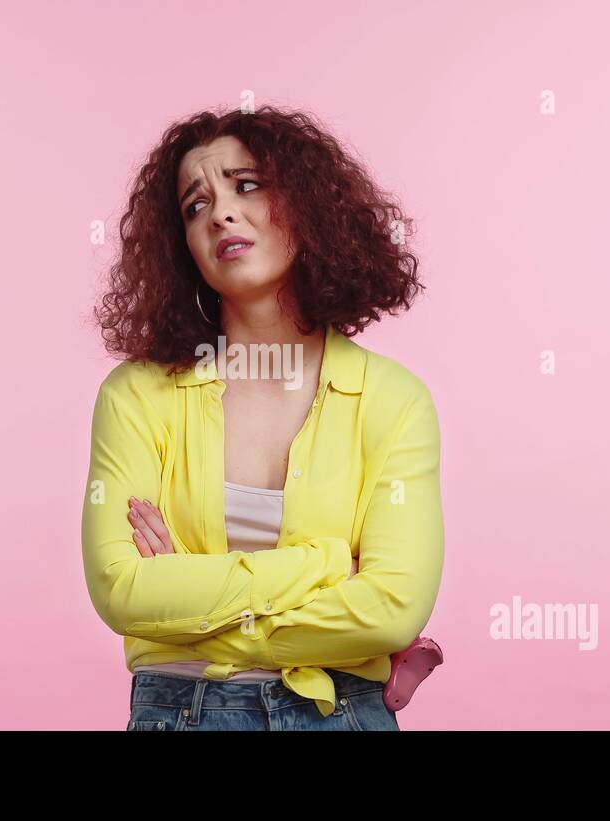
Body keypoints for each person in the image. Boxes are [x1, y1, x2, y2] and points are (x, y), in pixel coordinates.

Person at [81, 105, 445, 730]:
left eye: (246, 186)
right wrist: (328, 567)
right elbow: (121, 590)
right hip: (183, 715)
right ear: (183, 248)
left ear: (307, 206)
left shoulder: (394, 399)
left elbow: (393, 610)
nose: (220, 211)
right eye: (196, 205)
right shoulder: (135, 396)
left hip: (338, 714)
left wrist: (191, 620)